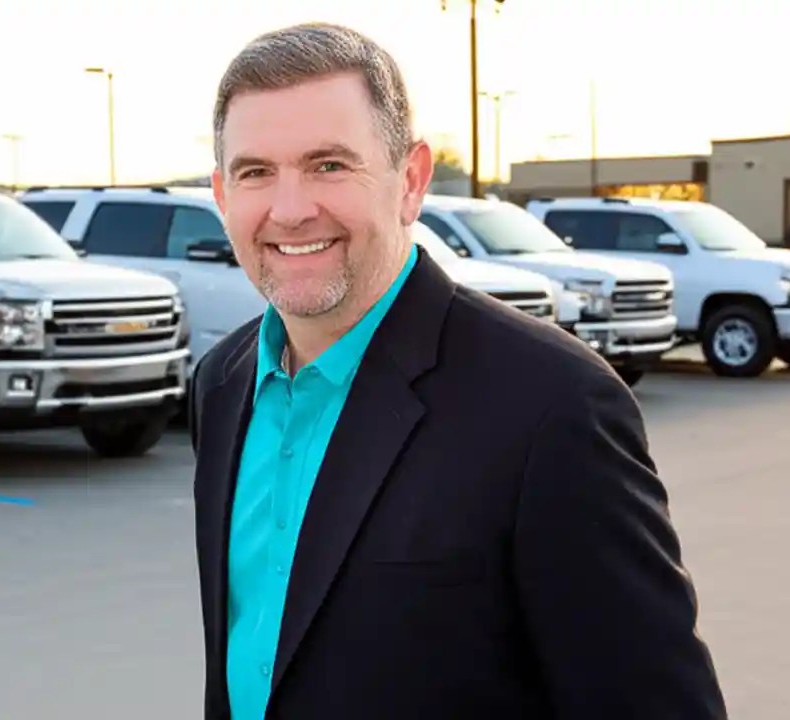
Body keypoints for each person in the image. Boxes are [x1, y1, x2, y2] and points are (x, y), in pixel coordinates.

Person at [187, 21, 728, 720]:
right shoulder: (222, 385)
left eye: (329, 165)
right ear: (223, 194)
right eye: (256, 172)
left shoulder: (552, 407)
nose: (290, 209)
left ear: (410, 180)